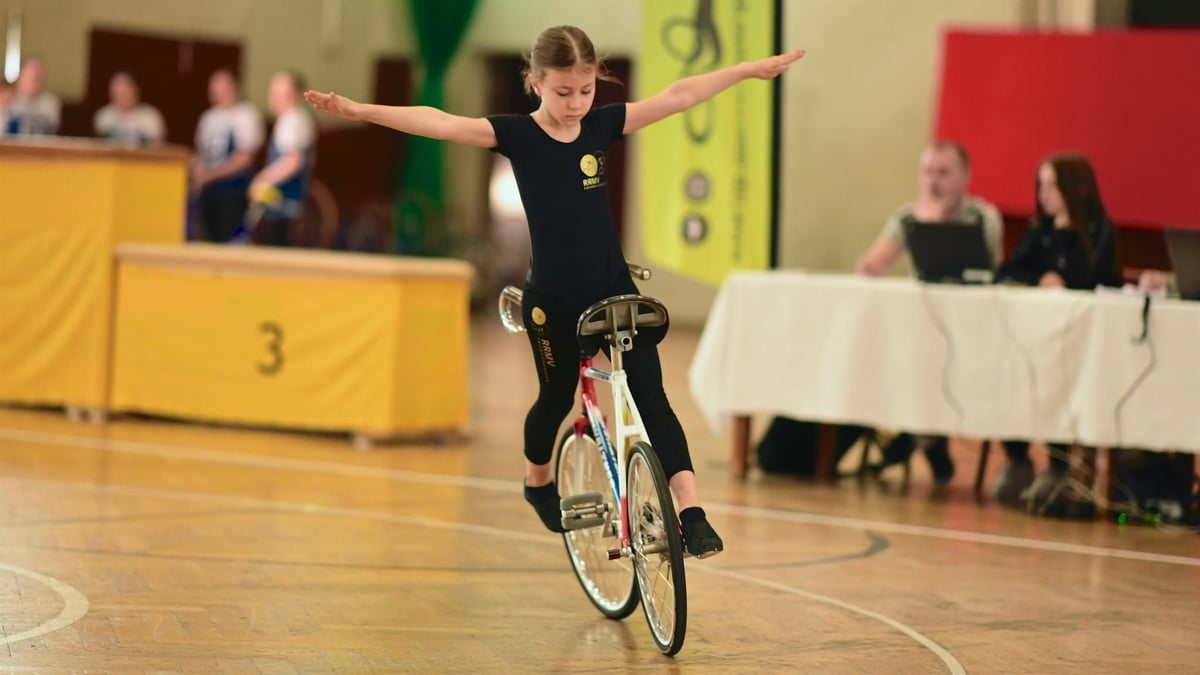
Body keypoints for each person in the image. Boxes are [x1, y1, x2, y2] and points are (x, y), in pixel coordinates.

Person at [306, 25, 805, 558]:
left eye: (586, 91)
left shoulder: (602, 125)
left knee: (652, 395)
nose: (576, 104)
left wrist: (748, 70)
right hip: (554, 301)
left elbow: (679, 96)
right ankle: (537, 480)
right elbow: (439, 123)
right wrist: (361, 111)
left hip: (614, 288)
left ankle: (693, 514)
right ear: (535, 82)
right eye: (563, 92)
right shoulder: (518, 135)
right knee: (555, 395)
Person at [856, 141, 1005, 487]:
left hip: (973, 335)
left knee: (936, 361)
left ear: (965, 177)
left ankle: (918, 438)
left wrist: (939, 225)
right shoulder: (908, 218)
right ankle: (923, 438)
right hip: (919, 332)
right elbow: (873, 264)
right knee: (902, 357)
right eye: (927, 172)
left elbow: (991, 274)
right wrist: (869, 264)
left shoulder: (983, 217)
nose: (934, 181)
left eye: (943, 172)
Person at [994, 152, 1121, 515]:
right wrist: (1039, 280)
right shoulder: (1039, 230)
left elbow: (1093, 279)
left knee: (1059, 386)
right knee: (1014, 375)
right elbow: (1008, 271)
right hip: (1034, 337)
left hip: (1081, 344)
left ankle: (1061, 466)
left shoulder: (1097, 231)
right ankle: (1018, 458)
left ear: (1073, 188)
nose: (1045, 193)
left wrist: (1062, 278)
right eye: (1041, 185)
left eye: (1052, 185)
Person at [244, 70, 316, 246]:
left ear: (294, 95)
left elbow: (293, 161)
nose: (273, 98)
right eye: (272, 92)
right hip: (281, 202)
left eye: (279, 94)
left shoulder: (293, 120)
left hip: (285, 202)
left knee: (279, 248)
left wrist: (262, 179)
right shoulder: (291, 119)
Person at [192, 69, 264, 242]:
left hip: (234, 188)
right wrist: (198, 175)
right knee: (209, 236)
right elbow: (201, 153)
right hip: (209, 189)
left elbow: (245, 157)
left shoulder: (247, 115)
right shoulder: (209, 117)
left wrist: (211, 175)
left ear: (235, 87)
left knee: (230, 238)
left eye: (223, 85)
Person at [93, 70, 166, 146]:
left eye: (125, 92)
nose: (121, 97)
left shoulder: (151, 116)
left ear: (135, 91)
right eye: (117, 92)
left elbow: (158, 147)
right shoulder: (104, 115)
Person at [6, 57, 60, 135]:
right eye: (29, 77)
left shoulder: (51, 103)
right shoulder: (6, 98)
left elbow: (52, 130)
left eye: (37, 78)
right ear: (20, 76)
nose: (33, 82)